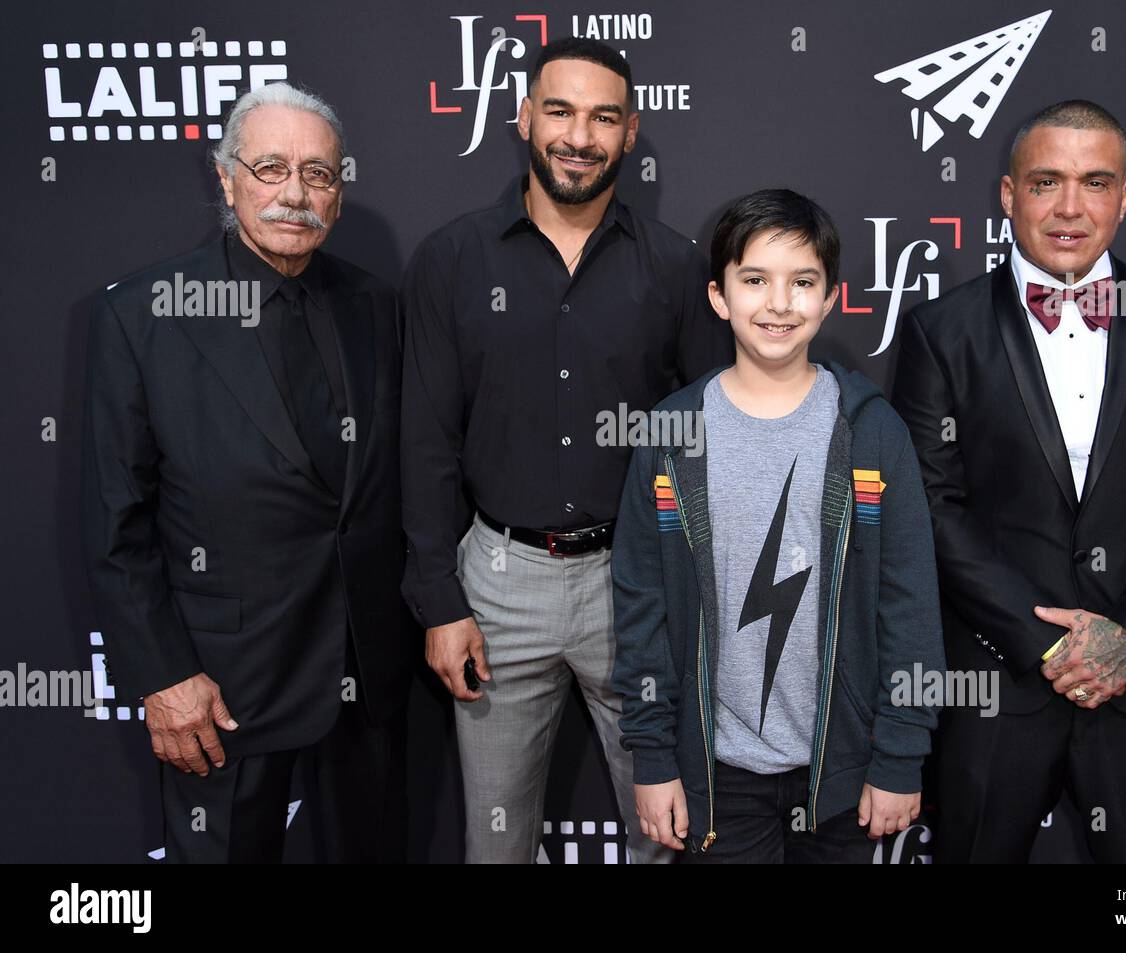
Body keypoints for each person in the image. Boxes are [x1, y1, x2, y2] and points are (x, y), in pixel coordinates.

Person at [892, 100, 1126, 863]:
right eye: (1045, 181)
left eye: (1095, 183)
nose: (1068, 208)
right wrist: (1044, 644)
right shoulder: (940, 332)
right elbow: (931, 502)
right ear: (1007, 194)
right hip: (994, 684)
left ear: (1125, 197)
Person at [400, 37, 733, 863]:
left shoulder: (676, 266)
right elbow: (427, 440)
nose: (578, 136)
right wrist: (440, 599)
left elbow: (712, 442)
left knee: (671, 836)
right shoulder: (451, 258)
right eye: (559, 110)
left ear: (629, 132)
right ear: (524, 118)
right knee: (496, 843)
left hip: (638, 584)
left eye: (602, 117)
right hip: (497, 586)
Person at [81, 83, 414, 863]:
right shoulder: (142, 315)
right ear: (226, 178)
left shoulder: (378, 307)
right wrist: (165, 675)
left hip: (367, 679)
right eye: (270, 168)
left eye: (319, 174)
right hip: (223, 688)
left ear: (339, 189)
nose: (295, 193)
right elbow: (114, 521)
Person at [612, 188, 945, 862]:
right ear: (718, 295)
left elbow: (908, 601)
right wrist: (652, 755)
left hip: (846, 770)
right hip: (720, 772)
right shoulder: (672, 436)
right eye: (755, 280)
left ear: (829, 298)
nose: (779, 303)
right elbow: (641, 604)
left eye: (802, 282)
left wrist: (900, 754)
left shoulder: (872, 432)